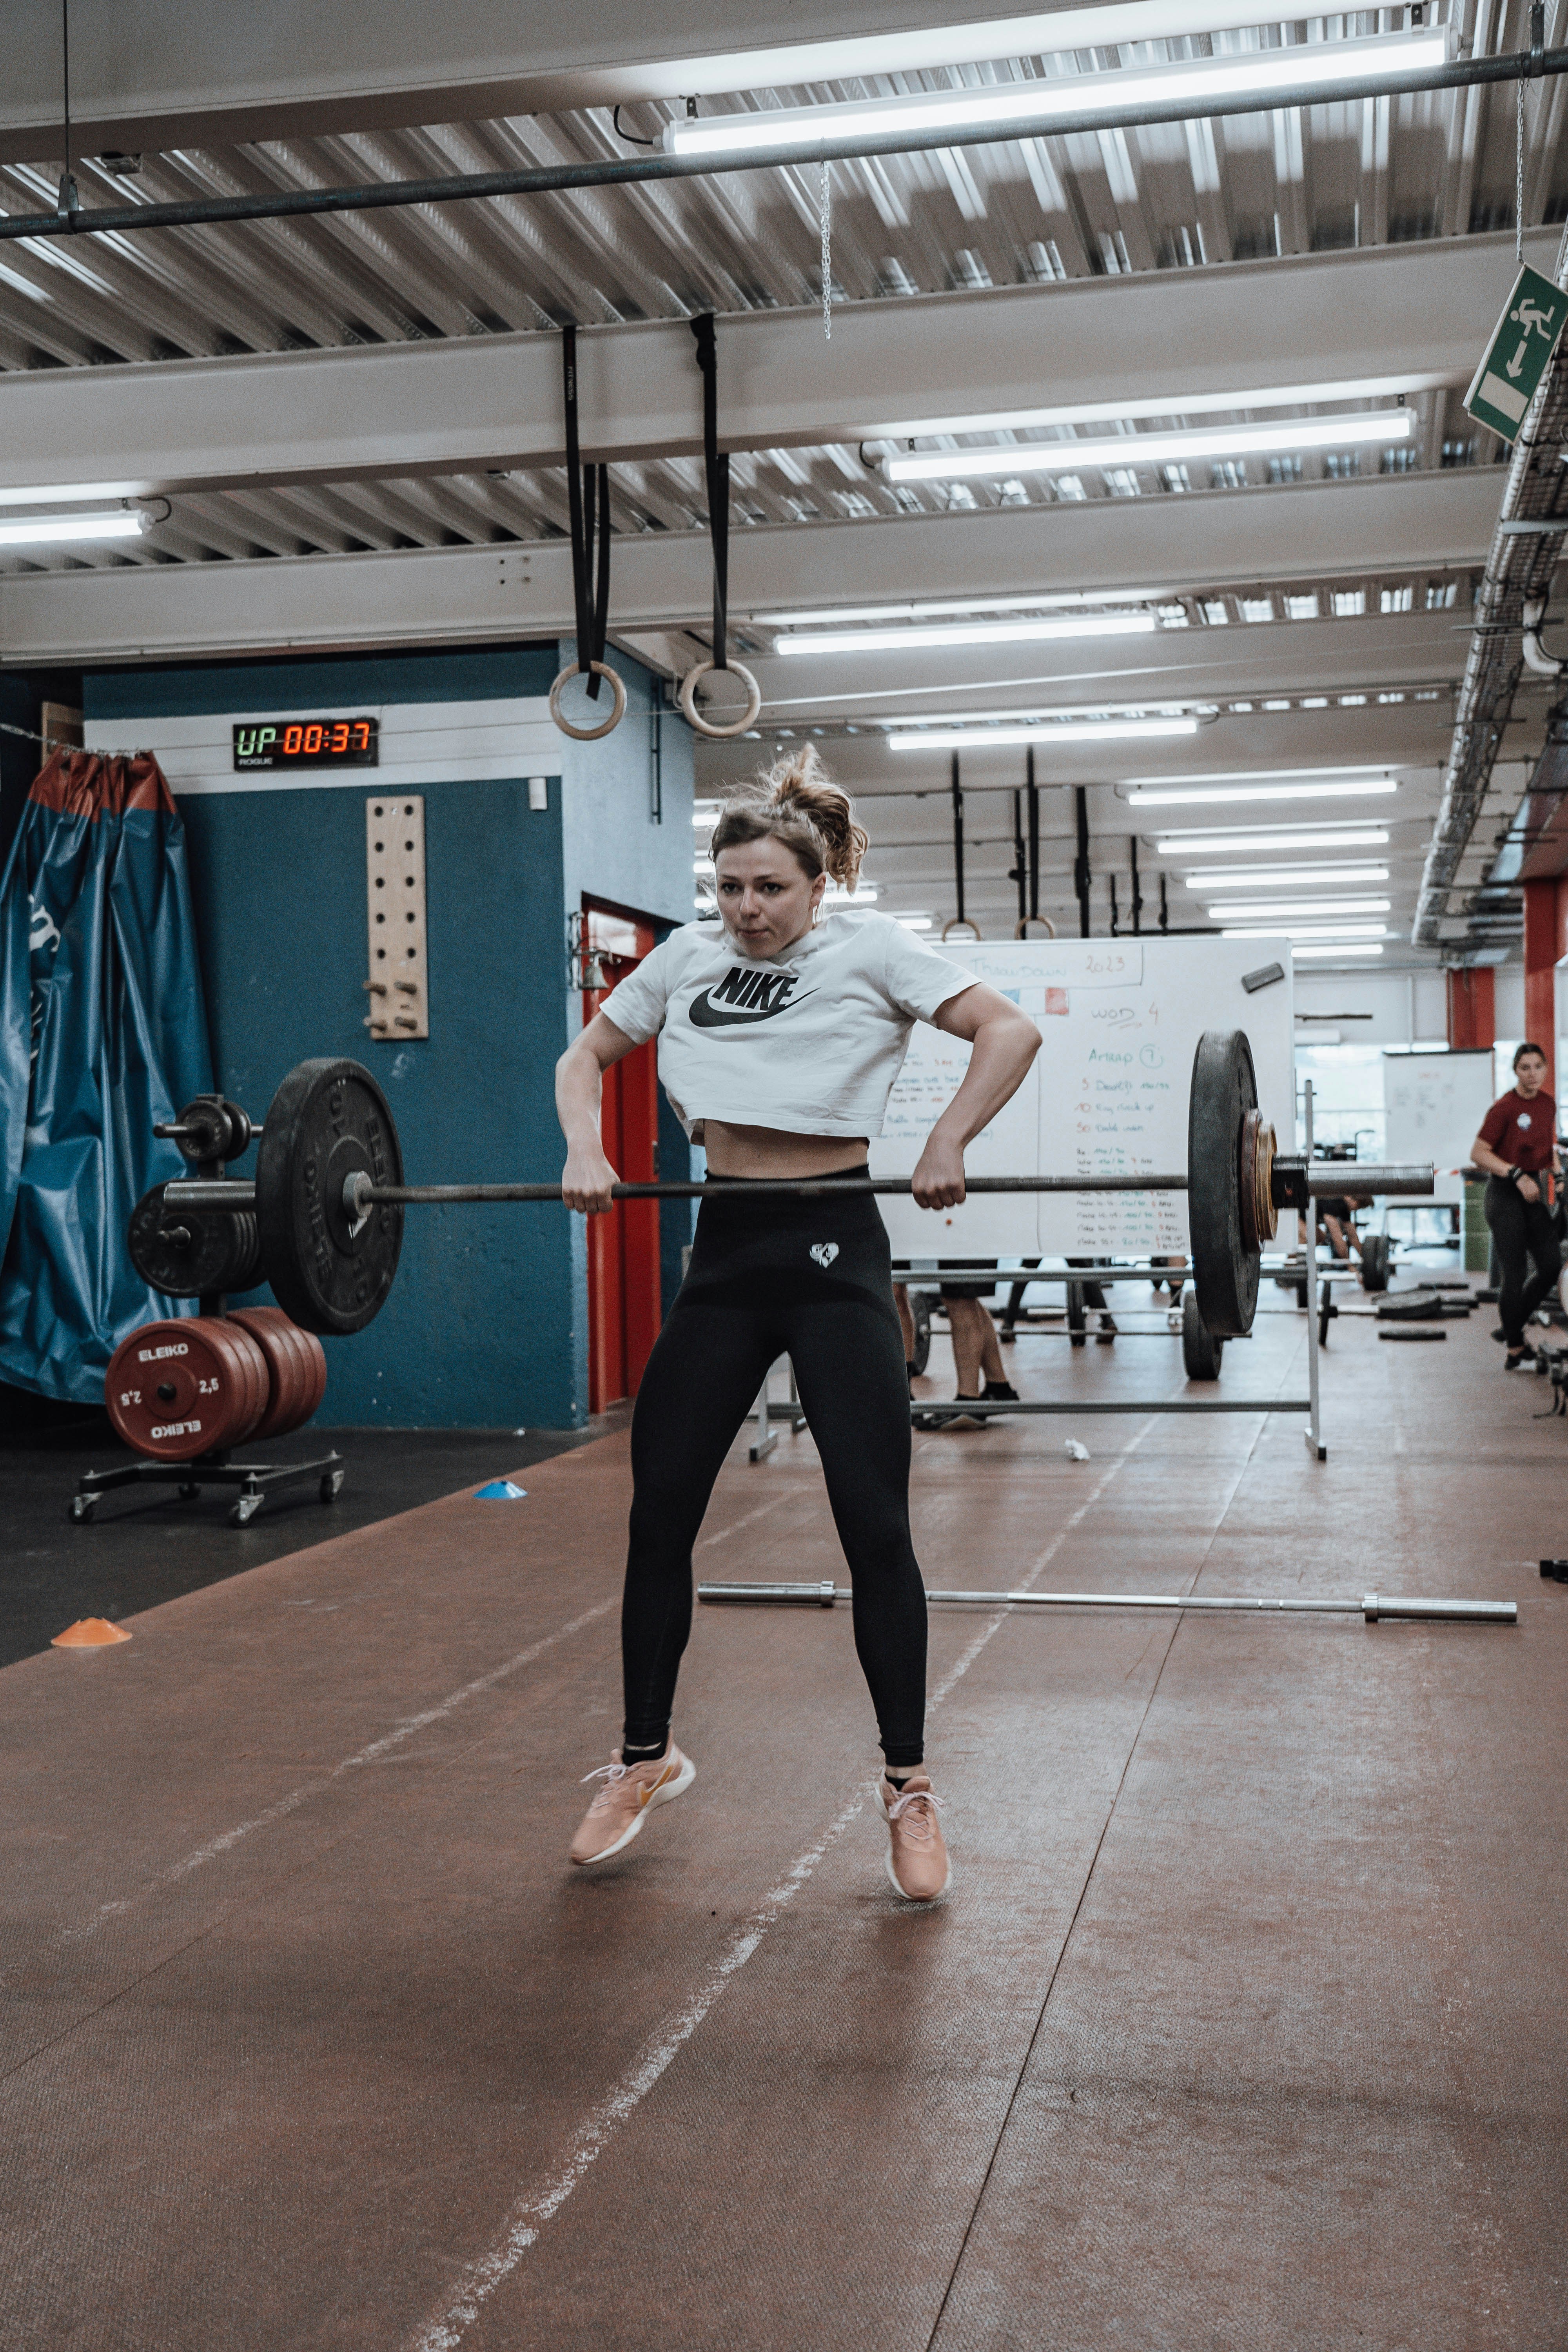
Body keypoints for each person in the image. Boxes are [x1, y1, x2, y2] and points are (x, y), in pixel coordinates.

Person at [554, 748, 1041, 1901]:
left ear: (815, 887)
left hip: (833, 1250)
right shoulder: (683, 958)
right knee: (660, 1509)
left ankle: (908, 1783)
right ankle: (642, 1759)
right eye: (727, 887)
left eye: (767, 888)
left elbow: (1008, 1031)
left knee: (874, 1524)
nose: (746, 908)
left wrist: (945, 1141)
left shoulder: (868, 950)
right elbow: (584, 1057)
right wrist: (586, 1144)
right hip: (725, 1254)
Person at [1472, 1042, 1563, 1368]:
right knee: (1515, 1272)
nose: (1532, 1073)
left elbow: (1547, 1148)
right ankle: (1514, 1344)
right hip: (1505, 1194)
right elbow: (1479, 1153)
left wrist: (1559, 1174)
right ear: (1515, 1071)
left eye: (1538, 1066)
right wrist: (1515, 1175)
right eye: (1525, 1068)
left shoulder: (1548, 1104)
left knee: (1552, 1265)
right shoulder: (1504, 1109)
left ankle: (1511, 1327)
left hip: (1534, 1192)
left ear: (1546, 1069)